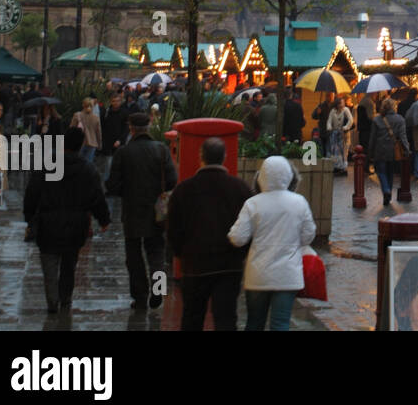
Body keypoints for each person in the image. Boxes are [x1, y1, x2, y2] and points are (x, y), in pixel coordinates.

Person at [166, 137, 252, 331]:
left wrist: (182, 253)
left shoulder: (184, 189)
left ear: (201, 157)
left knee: (192, 317)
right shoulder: (240, 188)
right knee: (226, 319)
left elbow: (173, 228)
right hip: (229, 265)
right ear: (224, 157)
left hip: (194, 264)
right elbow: (249, 227)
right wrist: (239, 255)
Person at [24, 126, 110, 314]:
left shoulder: (47, 165)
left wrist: (29, 218)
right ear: (81, 146)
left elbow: (32, 193)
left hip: (48, 223)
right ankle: (65, 299)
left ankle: (52, 301)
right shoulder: (87, 169)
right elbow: (96, 196)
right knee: (69, 265)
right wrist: (104, 219)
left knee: (49, 263)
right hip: (76, 223)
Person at [228, 156, 316, 331]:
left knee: (254, 323)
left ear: (262, 176)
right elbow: (308, 236)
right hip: (288, 275)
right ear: (288, 176)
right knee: (280, 324)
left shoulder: (252, 204)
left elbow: (238, 238)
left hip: (258, 276)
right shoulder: (299, 202)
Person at [106, 112, 177, 310]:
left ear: (131, 128)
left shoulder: (124, 153)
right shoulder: (162, 150)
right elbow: (172, 180)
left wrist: (127, 191)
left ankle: (140, 296)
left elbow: (113, 185)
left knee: (134, 256)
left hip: (132, 211)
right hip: (157, 212)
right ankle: (159, 291)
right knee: (157, 254)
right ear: (149, 126)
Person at [367, 98, 410, 207]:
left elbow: (372, 138)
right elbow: (403, 137)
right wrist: (407, 149)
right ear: (394, 107)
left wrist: (370, 153)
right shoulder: (400, 120)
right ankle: (388, 193)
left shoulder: (377, 120)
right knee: (390, 172)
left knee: (381, 172)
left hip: (380, 150)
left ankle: (386, 190)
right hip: (393, 151)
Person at [99, 93, 127, 182]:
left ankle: (117, 181)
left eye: (118, 101)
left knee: (118, 162)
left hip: (119, 141)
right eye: (114, 101)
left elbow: (126, 129)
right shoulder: (106, 112)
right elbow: (102, 126)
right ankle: (108, 181)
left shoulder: (124, 113)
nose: (116, 103)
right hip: (107, 141)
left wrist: (120, 140)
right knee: (108, 162)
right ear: (111, 102)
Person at [70, 98, 102, 164]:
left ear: (83, 105)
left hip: (79, 143)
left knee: (77, 164)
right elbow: (98, 133)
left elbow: (71, 129)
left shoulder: (77, 115)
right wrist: (99, 145)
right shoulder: (96, 118)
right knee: (87, 166)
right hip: (92, 144)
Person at [327, 97, 354, 174]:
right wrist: (329, 127)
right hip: (335, 133)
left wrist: (345, 127)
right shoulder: (333, 111)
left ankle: (343, 167)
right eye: (340, 103)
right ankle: (336, 166)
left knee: (344, 151)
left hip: (344, 134)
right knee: (335, 150)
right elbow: (329, 120)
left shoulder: (346, 110)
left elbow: (351, 120)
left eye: (342, 103)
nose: (341, 104)